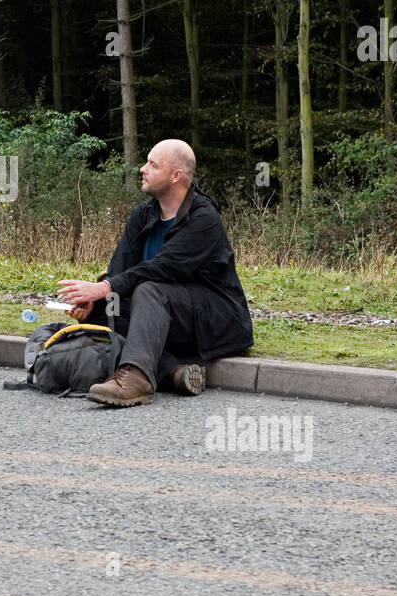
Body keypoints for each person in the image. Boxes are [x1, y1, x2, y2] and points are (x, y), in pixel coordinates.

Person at [56, 139, 253, 407]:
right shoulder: (143, 215)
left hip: (210, 320)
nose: (142, 169)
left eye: (152, 164)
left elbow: (163, 268)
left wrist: (104, 288)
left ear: (176, 176)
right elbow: (119, 271)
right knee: (102, 311)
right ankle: (172, 372)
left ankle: (135, 380)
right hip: (158, 314)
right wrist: (94, 298)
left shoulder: (203, 218)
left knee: (148, 289)